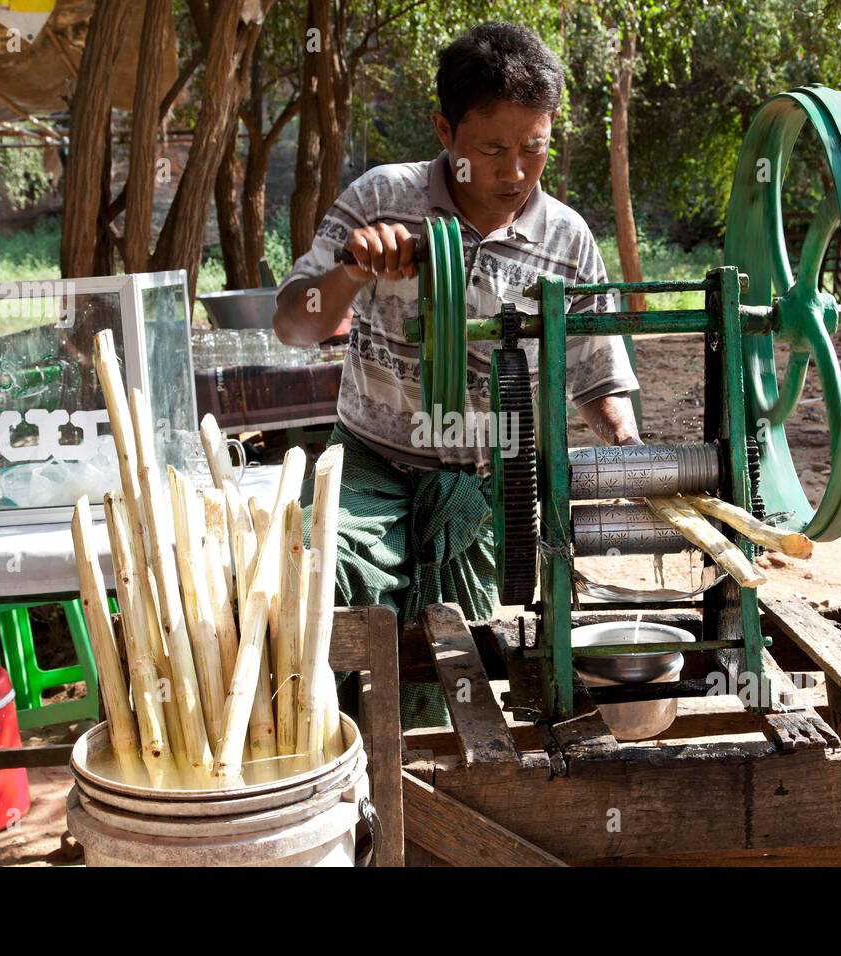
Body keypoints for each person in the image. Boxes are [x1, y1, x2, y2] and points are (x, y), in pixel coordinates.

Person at [276, 22, 641, 726]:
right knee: (316, 578)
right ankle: (333, 765)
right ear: (445, 130)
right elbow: (295, 324)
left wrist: (631, 448)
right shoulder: (382, 200)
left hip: (485, 487)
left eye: (534, 148)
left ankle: (431, 797)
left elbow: (598, 375)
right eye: (493, 150)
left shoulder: (566, 241)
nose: (514, 172)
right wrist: (352, 270)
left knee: (464, 666)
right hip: (369, 470)